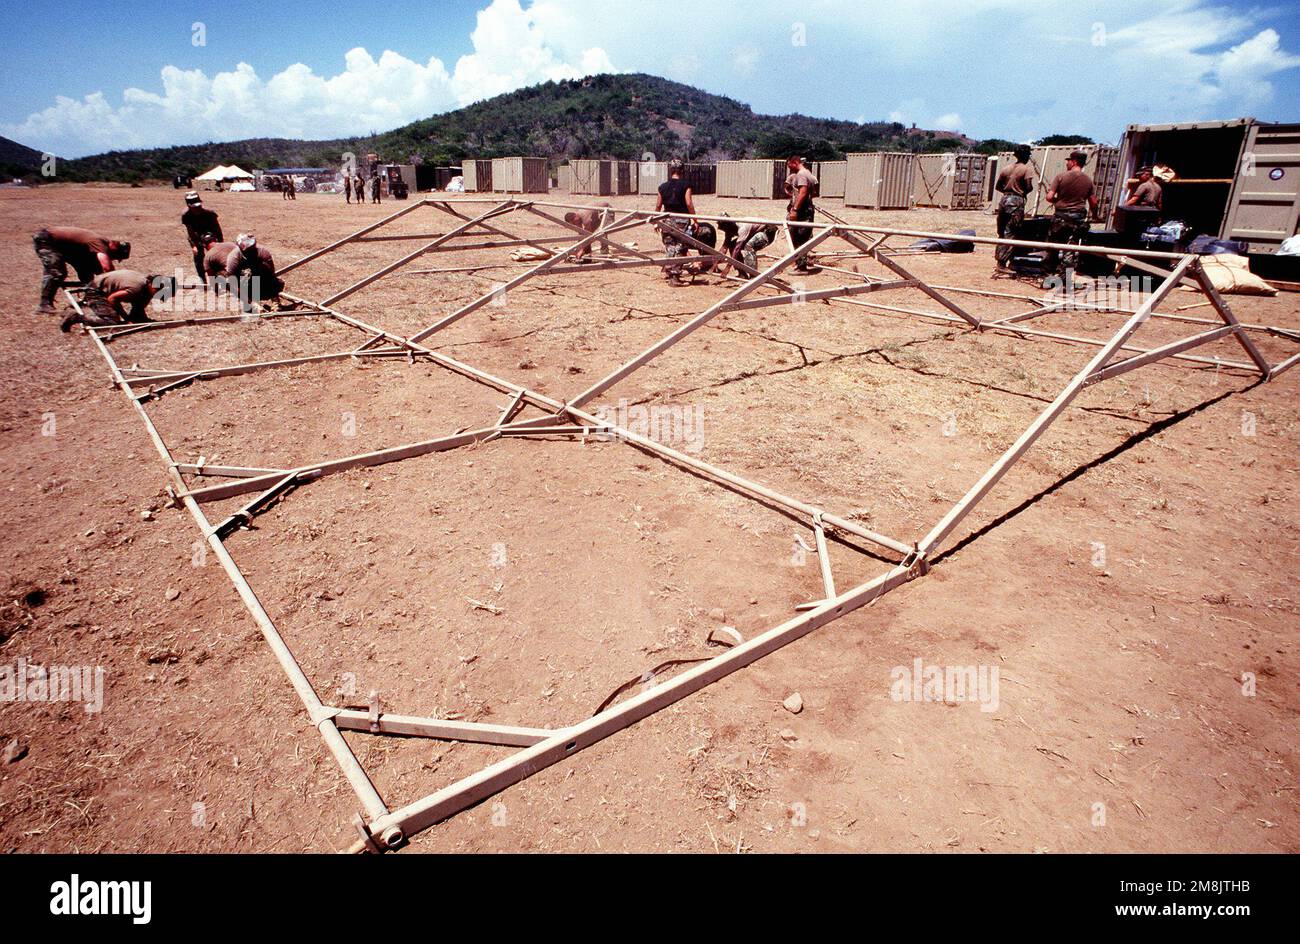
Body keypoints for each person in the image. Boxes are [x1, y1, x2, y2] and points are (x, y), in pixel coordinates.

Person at [32, 226, 130, 314]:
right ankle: (44, 305)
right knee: (56, 272)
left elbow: (98, 269)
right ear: (113, 247)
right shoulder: (101, 244)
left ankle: (88, 300)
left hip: (65, 247)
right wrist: (114, 281)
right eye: (114, 256)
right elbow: (106, 267)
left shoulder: (98, 244)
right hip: (47, 240)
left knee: (87, 271)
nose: (113, 259)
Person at [61, 271, 176, 332]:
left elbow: (141, 301)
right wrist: (125, 319)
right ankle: (76, 317)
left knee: (145, 298)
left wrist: (137, 318)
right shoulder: (137, 288)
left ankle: (136, 317)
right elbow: (112, 299)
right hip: (96, 291)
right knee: (112, 322)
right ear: (156, 287)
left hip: (101, 286)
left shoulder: (147, 284)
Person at [1043, 150, 1097, 277]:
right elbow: (1094, 202)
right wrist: (1094, 215)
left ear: (1074, 162)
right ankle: (1065, 278)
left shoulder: (1061, 177)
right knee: (1070, 248)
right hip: (1077, 219)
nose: (1067, 163)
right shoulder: (1088, 180)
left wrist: (1058, 201)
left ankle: (1049, 276)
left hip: (1061, 217)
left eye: (1069, 161)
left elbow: (1049, 197)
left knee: (1053, 247)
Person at [655, 160, 697, 285]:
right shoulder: (686, 185)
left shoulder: (662, 187)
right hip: (681, 220)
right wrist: (695, 220)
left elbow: (658, 206)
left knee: (669, 246)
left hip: (666, 220)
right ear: (682, 171)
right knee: (679, 247)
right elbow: (689, 203)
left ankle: (669, 271)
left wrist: (657, 221)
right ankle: (674, 278)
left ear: (670, 170)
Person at [993, 146, 1035, 268]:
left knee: (1002, 231)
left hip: (1004, 200)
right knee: (1012, 231)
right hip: (1016, 202)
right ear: (1026, 156)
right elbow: (1029, 187)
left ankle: (999, 258)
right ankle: (1004, 263)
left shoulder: (1006, 169)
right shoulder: (1026, 169)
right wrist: (1020, 192)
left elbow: (998, 186)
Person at [228, 233, 285, 308]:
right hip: (245, 285)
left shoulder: (263, 253)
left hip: (260, 281)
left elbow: (271, 276)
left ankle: (275, 301)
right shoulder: (234, 257)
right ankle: (252, 303)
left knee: (278, 282)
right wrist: (251, 303)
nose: (250, 251)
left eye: (252, 248)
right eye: (248, 250)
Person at [783, 156, 819, 273]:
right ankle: (800, 264)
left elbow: (803, 193)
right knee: (801, 237)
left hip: (802, 212)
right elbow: (813, 192)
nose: (789, 169)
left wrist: (795, 209)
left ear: (795, 163)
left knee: (799, 238)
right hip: (807, 210)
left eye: (790, 166)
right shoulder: (809, 174)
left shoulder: (801, 174)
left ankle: (801, 267)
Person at [181, 191, 222, 284]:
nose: (197, 209)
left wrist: (219, 243)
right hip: (196, 235)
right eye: (194, 207)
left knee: (214, 256)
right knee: (198, 256)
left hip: (210, 234)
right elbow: (190, 232)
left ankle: (215, 279)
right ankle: (202, 279)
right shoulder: (186, 215)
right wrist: (194, 246)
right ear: (188, 205)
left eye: (198, 206)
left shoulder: (209, 213)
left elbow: (217, 229)